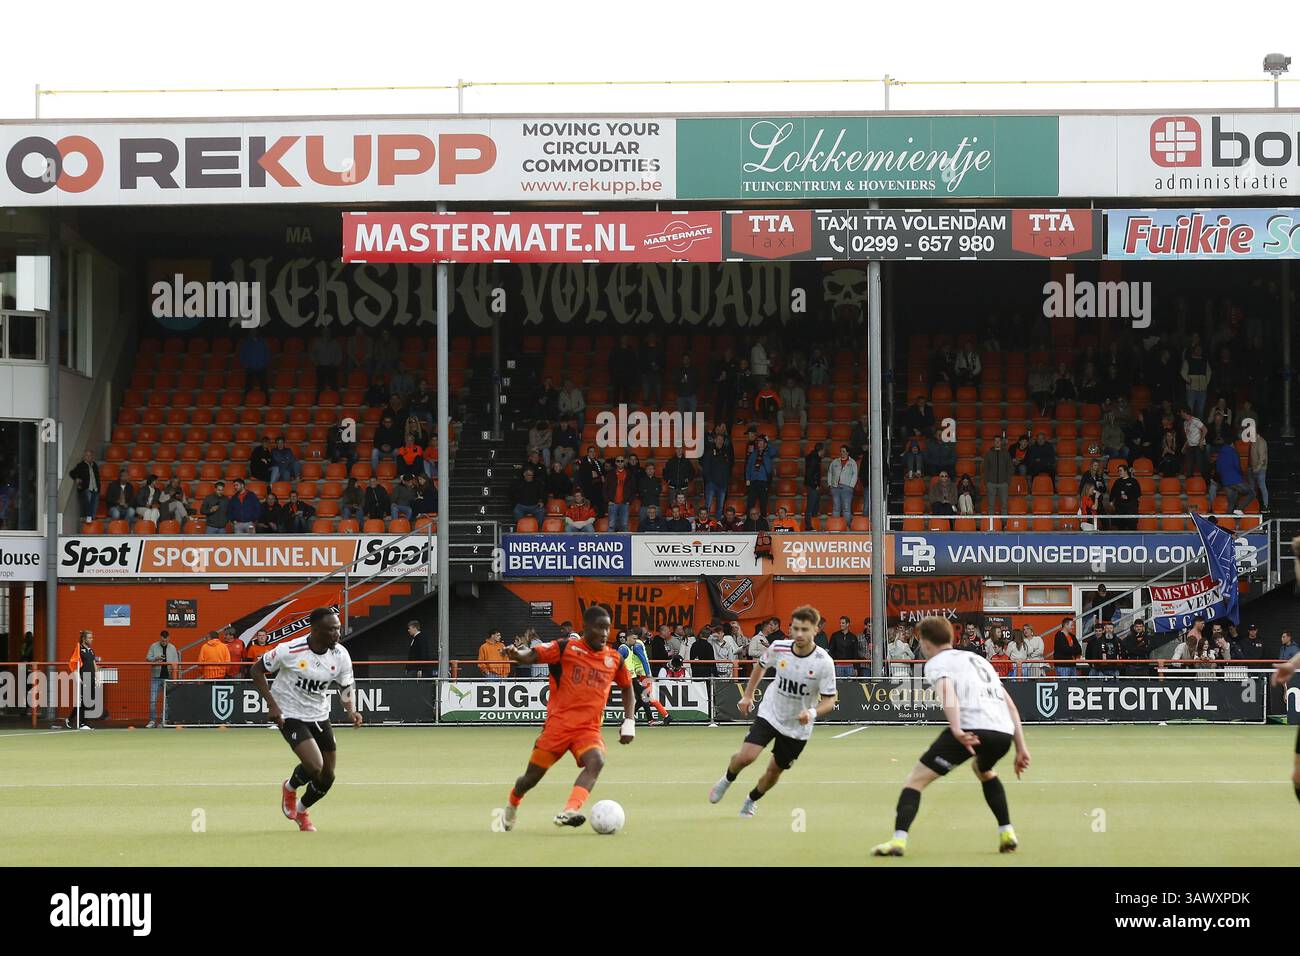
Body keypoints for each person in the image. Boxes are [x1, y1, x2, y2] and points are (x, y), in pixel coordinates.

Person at [870, 616, 1029, 857]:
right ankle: (1007, 832)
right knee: (983, 770)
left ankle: (897, 841)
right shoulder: (978, 660)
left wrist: (956, 729)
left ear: (924, 642)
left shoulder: (936, 662)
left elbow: (947, 692)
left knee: (915, 781)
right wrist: (1021, 748)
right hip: (1002, 732)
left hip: (970, 728)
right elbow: (1009, 704)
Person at [499, 606, 635, 830]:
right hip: (557, 727)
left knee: (597, 761)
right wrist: (516, 655)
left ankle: (569, 810)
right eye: (599, 627)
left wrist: (629, 721)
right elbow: (532, 655)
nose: (604, 633)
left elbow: (627, 688)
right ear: (585, 627)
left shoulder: (614, 659)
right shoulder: (565, 648)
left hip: (587, 730)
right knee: (529, 780)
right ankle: (513, 802)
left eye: (607, 628)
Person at [708, 606, 838, 818]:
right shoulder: (779, 647)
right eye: (795, 628)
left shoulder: (824, 662)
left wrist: (812, 713)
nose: (798, 634)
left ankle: (751, 800)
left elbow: (830, 700)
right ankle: (726, 780)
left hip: (798, 727)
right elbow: (760, 666)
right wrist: (748, 695)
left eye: (804, 629)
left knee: (773, 771)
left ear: (816, 630)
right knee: (746, 757)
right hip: (771, 712)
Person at [248, 608, 360, 833]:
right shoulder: (289, 650)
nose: (337, 633)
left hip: (319, 714)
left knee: (328, 776)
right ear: (316, 630)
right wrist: (272, 704)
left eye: (338, 628)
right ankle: (290, 788)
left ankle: (301, 810)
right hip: (289, 713)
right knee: (315, 765)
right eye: (332, 629)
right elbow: (256, 670)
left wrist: (351, 710)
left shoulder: (340, 655)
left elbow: (346, 684)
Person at [618, 630, 672, 726]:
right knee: (644, 697)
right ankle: (635, 717)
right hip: (639, 674)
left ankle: (665, 715)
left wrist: (647, 673)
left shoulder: (636, 646)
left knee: (646, 697)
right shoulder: (633, 646)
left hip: (643, 674)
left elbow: (643, 659)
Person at [66, 630, 98, 730]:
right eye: (89, 638)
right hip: (84, 678)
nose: (91, 639)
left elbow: (94, 664)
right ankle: (82, 723)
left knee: (88, 701)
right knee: (84, 701)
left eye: (92, 638)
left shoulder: (91, 650)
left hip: (91, 678)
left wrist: (97, 677)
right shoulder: (78, 649)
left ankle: (69, 719)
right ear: (84, 639)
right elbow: (74, 663)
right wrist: (77, 676)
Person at [69, 450, 101, 526]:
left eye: (90, 455)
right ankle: (88, 517)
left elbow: (97, 477)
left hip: (95, 488)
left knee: (95, 502)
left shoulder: (95, 465)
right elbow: (72, 473)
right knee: (88, 497)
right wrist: (76, 478)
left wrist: (99, 486)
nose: (88, 457)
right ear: (84, 456)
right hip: (86, 488)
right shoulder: (81, 465)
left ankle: (91, 518)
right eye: (87, 455)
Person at [827, 444, 858, 521]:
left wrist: (851, 486)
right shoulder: (834, 462)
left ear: (848, 453)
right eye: (841, 451)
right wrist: (830, 484)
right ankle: (836, 526)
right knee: (836, 508)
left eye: (844, 451)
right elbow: (830, 472)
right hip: (835, 487)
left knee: (846, 508)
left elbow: (855, 474)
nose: (842, 453)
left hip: (847, 488)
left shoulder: (852, 462)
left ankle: (846, 526)